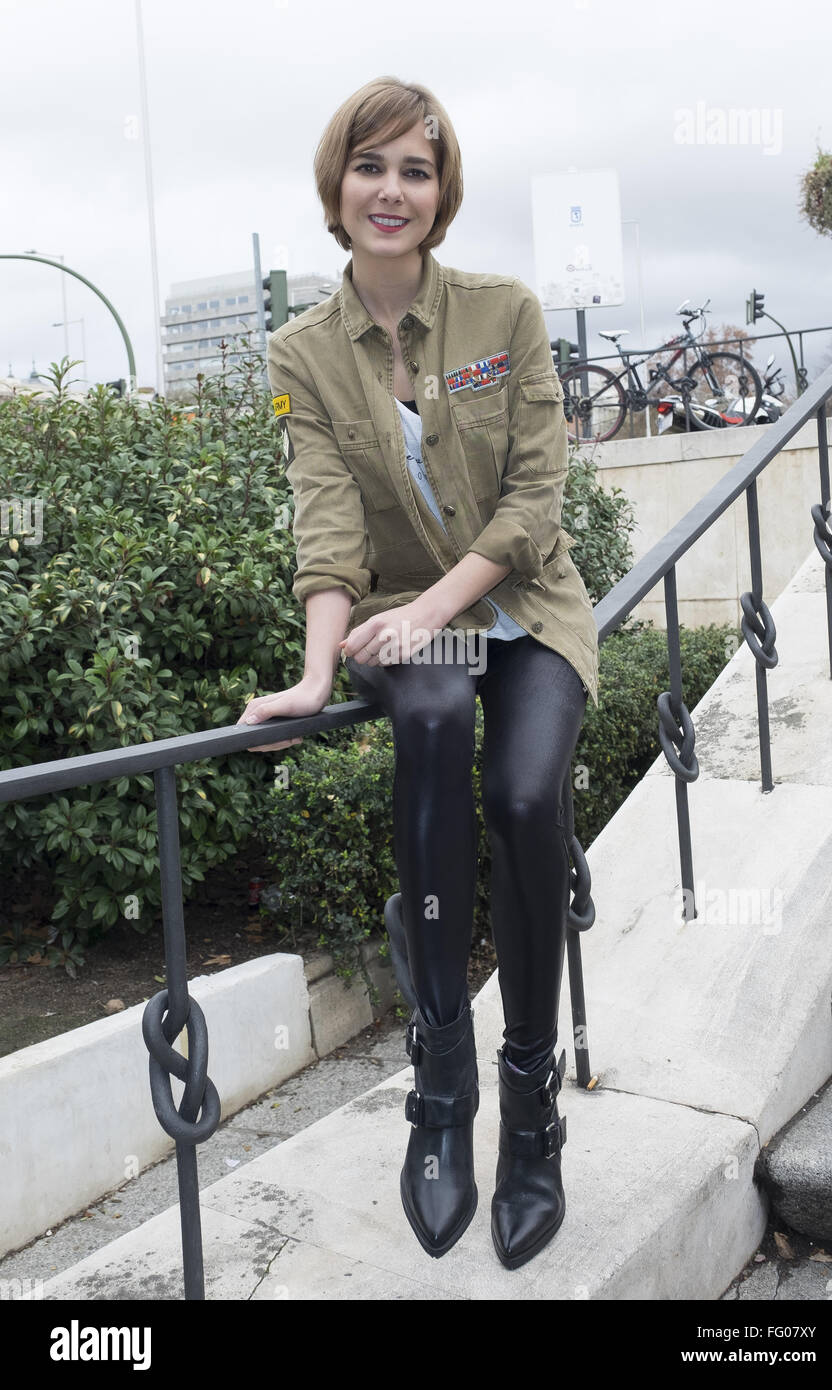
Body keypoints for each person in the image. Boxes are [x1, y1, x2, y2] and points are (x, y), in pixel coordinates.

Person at [236, 76, 600, 1271]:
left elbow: (537, 498)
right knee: (436, 713)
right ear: (336, 188)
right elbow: (325, 523)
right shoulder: (297, 352)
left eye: (416, 170)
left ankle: (530, 1107)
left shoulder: (506, 313)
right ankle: (442, 1080)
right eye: (370, 167)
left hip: (525, 607)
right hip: (409, 631)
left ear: (440, 194)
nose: (392, 191)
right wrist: (309, 671)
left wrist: (450, 601)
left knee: (526, 801)